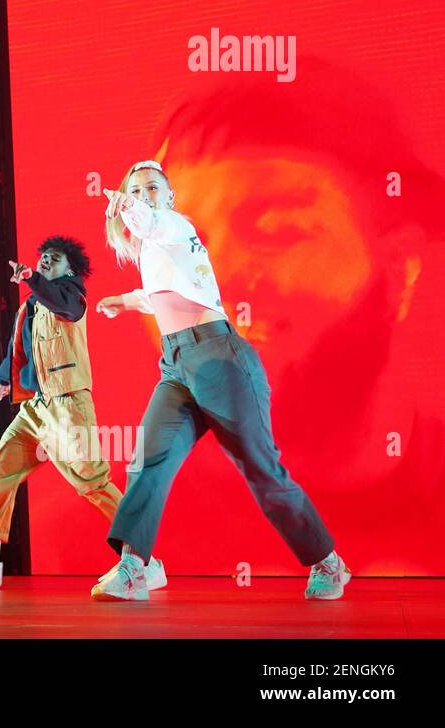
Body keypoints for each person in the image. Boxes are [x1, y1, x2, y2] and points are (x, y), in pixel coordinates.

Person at [91, 160, 349, 601]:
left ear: (168, 196)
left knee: (261, 469)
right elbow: (169, 290)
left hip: (219, 359)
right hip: (176, 366)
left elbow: (149, 222)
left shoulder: (172, 224)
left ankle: (327, 561)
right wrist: (127, 300)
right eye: (135, 189)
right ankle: (136, 566)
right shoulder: (157, 246)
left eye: (152, 188)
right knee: (147, 460)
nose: (144, 195)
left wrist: (124, 204)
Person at [0, 238, 164, 590]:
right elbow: (22, 349)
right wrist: (3, 378)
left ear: (69, 270)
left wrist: (33, 279)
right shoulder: (31, 305)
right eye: (43, 257)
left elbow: (66, 308)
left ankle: (145, 559)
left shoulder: (70, 296)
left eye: (54, 259)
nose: (46, 261)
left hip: (67, 404)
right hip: (36, 407)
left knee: (92, 482)